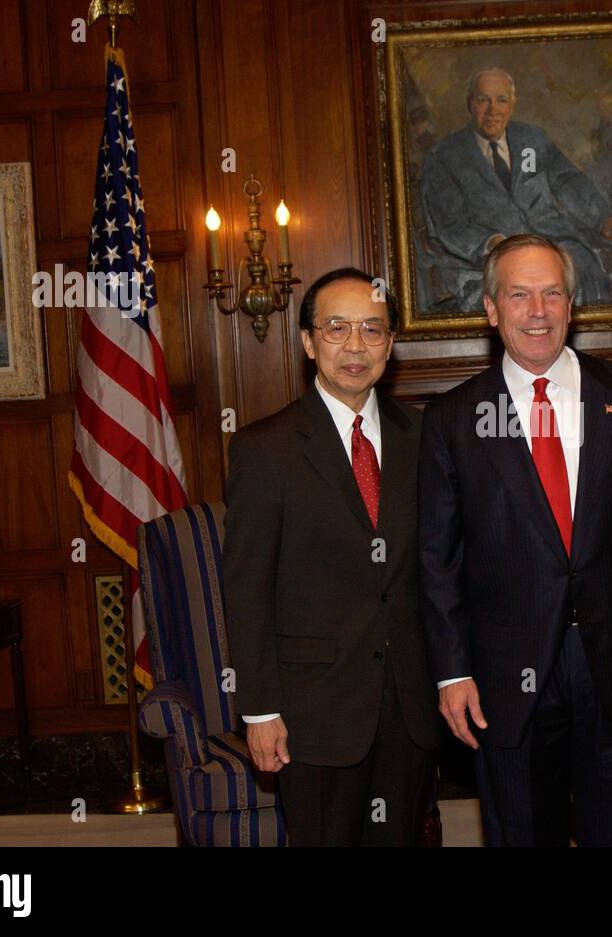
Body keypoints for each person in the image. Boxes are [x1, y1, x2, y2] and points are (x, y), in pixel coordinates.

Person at [419, 234, 612, 845]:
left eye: (553, 293)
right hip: (504, 671)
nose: (538, 310)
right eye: (519, 294)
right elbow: (437, 559)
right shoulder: (451, 417)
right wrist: (452, 674)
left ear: (571, 307)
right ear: (492, 309)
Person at [222, 268, 440, 845]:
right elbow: (246, 589)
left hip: (409, 708)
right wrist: (259, 709)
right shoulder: (263, 449)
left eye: (372, 329)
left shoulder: (423, 437)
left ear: (390, 345)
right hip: (313, 714)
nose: (355, 345)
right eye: (337, 328)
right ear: (308, 341)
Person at [417, 66, 612, 311]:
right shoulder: (443, 157)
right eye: (483, 100)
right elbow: (450, 224)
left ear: (513, 104)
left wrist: (603, 218)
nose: (492, 110)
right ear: (470, 104)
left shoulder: (532, 139)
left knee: (585, 270)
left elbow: (568, 181)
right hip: (493, 256)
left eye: (501, 100)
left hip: (556, 242)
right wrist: (491, 243)